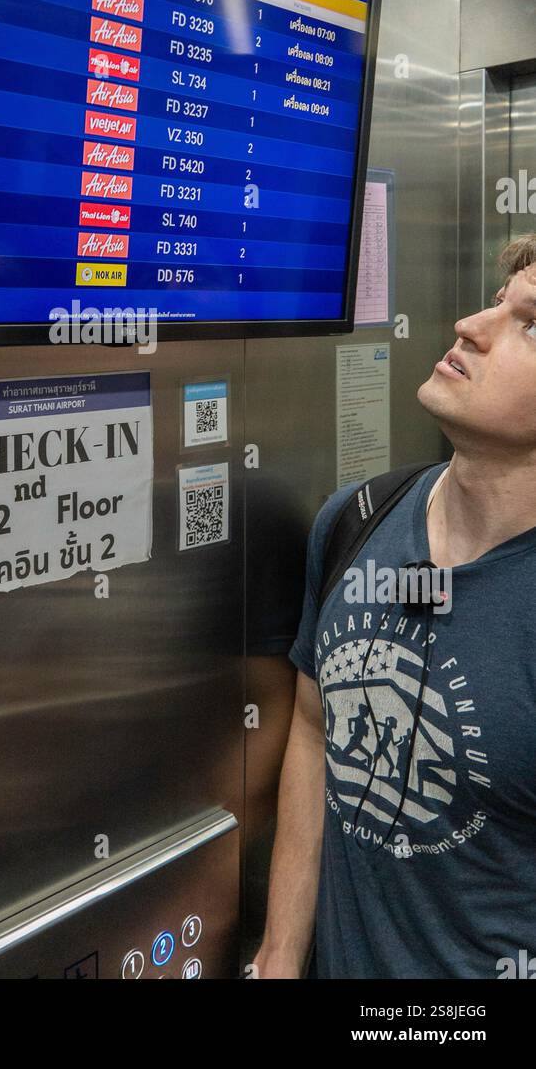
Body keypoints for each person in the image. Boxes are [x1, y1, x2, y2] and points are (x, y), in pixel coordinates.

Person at [255, 235, 536, 979]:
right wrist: (281, 957)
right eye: (499, 301)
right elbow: (314, 734)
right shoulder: (357, 520)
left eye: (530, 325)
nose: (472, 326)